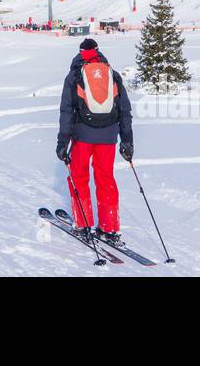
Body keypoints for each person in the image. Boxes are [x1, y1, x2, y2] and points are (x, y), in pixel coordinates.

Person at [56, 37, 133, 247]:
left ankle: (83, 223)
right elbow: (125, 110)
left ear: (80, 53)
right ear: (98, 52)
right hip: (109, 137)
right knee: (106, 178)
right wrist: (127, 140)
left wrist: (62, 142)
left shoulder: (74, 76)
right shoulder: (112, 75)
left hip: (82, 136)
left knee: (79, 176)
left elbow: (66, 112)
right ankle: (110, 228)